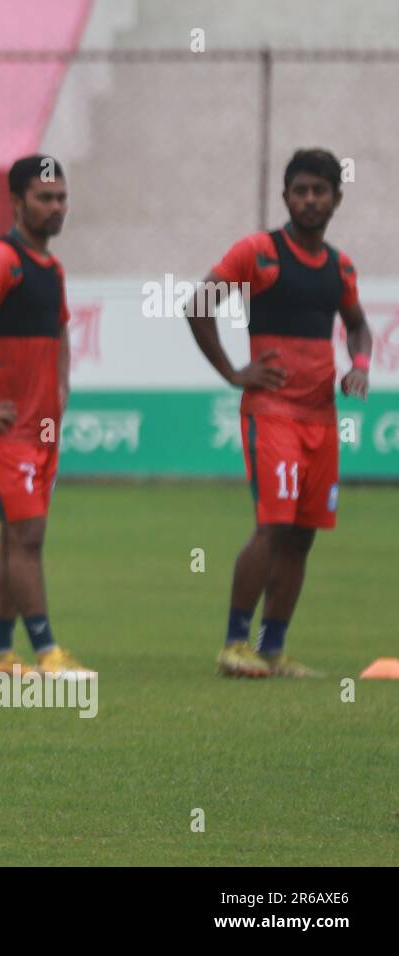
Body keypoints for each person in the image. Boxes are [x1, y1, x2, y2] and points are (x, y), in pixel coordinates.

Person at [187, 148, 371, 678]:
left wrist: (359, 363)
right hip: (272, 413)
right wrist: (232, 372)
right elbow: (199, 305)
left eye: (320, 190)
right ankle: (233, 643)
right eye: (300, 190)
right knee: (273, 523)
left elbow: (357, 324)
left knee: (303, 534)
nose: (309, 199)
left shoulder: (339, 267)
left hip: (320, 416)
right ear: (285, 196)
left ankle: (273, 647)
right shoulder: (258, 253)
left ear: (337, 197)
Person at [0, 155, 95, 680]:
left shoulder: (49, 267)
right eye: (44, 198)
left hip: (40, 428)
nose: (55, 208)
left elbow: (58, 331)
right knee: (27, 538)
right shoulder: (0, 260)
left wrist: (61, 387)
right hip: (4, 429)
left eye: (61, 198)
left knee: (15, 539)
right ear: (17, 202)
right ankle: (48, 653)